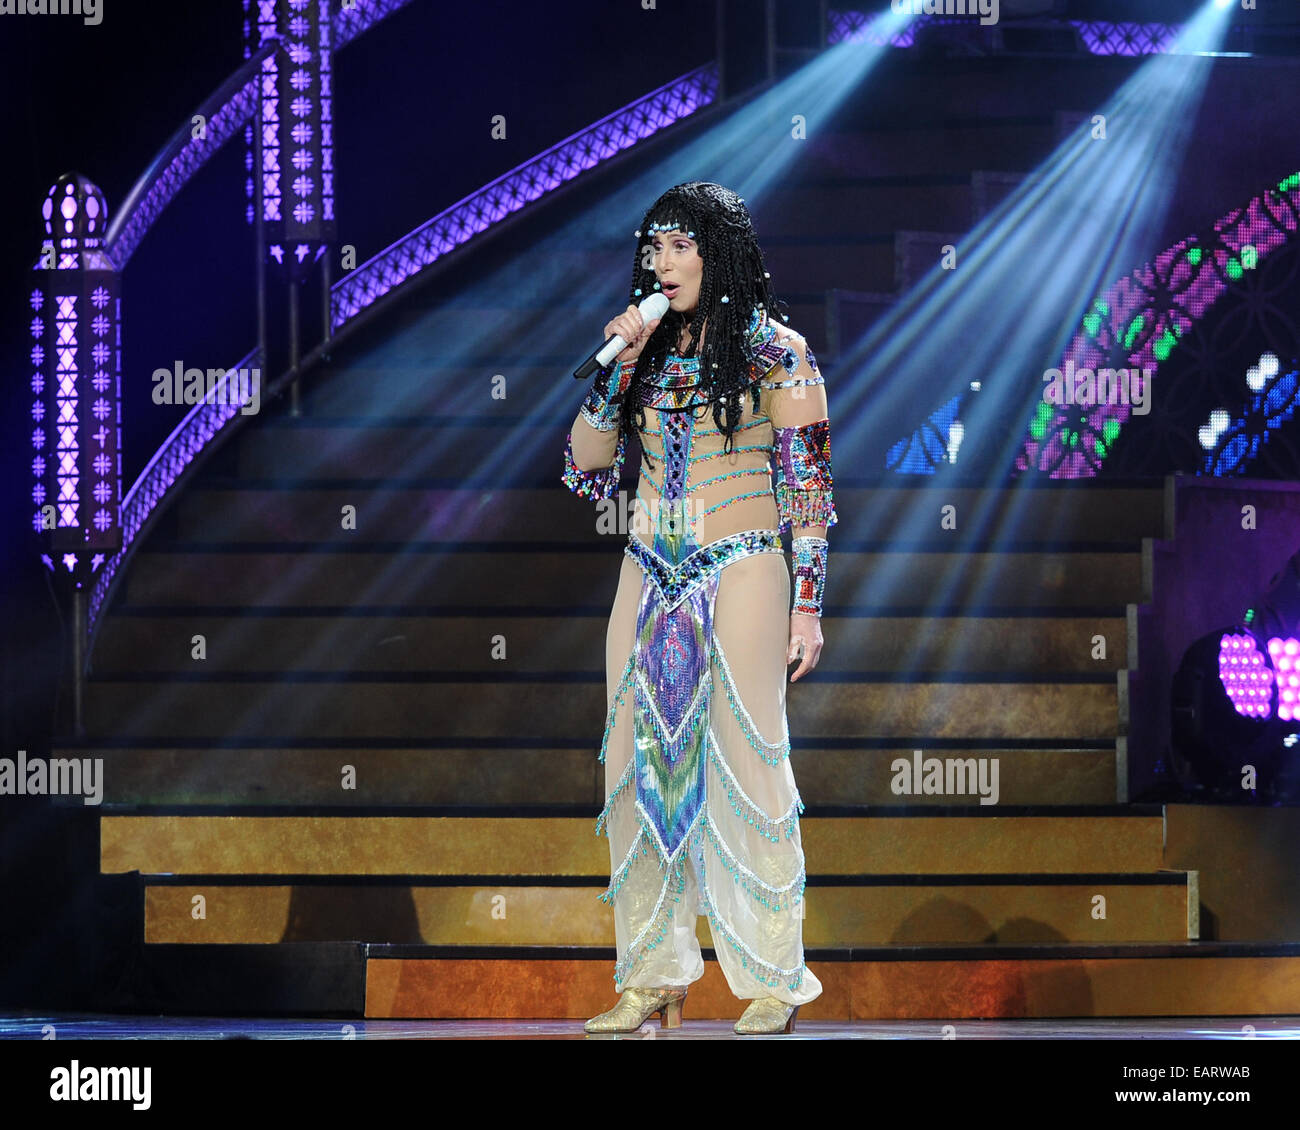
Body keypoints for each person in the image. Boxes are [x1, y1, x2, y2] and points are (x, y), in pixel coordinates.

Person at [561, 181, 836, 1035]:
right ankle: (651, 976)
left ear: (719, 252)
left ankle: (770, 980)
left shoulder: (777, 352)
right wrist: (617, 366)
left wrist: (808, 606)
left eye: (680, 247)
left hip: (744, 570)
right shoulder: (641, 351)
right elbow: (581, 467)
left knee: (748, 771)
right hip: (647, 573)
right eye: (654, 249)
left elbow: (809, 491)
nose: (663, 264)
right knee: (641, 776)